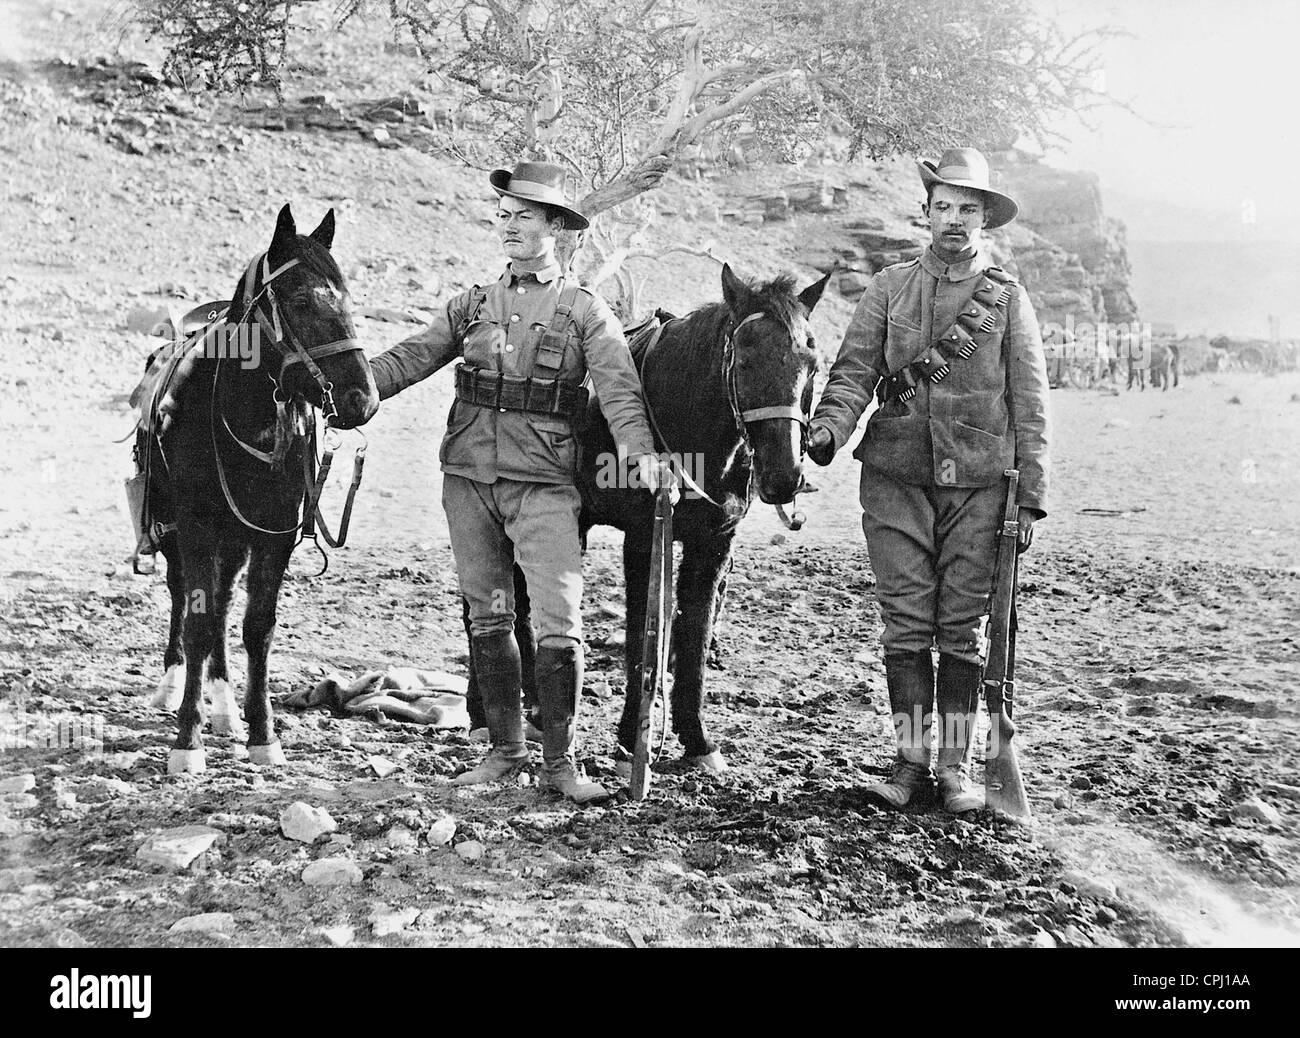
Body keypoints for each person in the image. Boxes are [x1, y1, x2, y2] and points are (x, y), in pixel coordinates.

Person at [368, 161, 673, 803]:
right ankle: (504, 753)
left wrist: (639, 454)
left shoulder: (585, 311)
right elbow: (412, 357)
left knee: (559, 622)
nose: (508, 227)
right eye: (503, 216)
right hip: (468, 478)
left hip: (544, 486)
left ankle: (559, 764)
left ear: (556, 228)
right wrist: (352, 389)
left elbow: (619, 390)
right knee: (489, 615)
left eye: (524, 216)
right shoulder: (473, 303)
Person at [806, 147, 1051, 813]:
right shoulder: (889, 288)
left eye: (967, 209)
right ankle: (911, 761)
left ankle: (956, 768)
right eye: (942, 206)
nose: (953, 219)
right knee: (907, 627)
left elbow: (1030, 401)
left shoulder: (1007, 299)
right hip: (896, 478)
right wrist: (829, 428)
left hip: (980, 486)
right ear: (927, 213)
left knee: (961, 631)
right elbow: (854, 370)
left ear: (985, 219)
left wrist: (1030, 495)